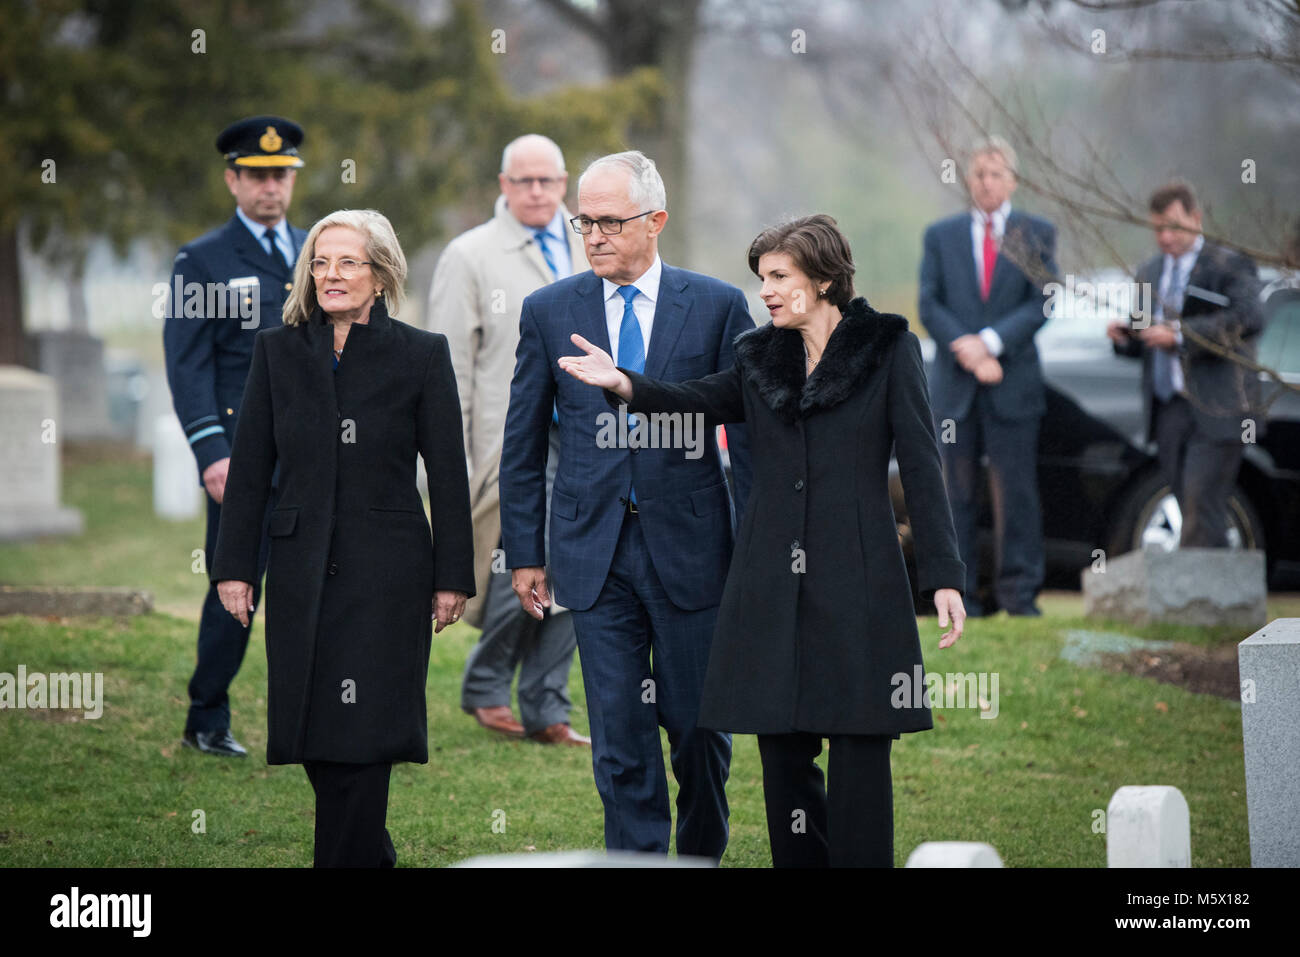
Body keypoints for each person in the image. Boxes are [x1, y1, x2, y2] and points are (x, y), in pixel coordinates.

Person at [557, 214, 966, 867]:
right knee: (782, 750)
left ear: (825, 278)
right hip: (773, 583)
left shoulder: (888, 347)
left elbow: (921, 465)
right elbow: (697, 398)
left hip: (860, 582)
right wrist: (626, 384)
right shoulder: (758, 353)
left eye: (780, 277)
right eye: (762, 279)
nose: (767, 291)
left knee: (861, 746)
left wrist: (944, 574)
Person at [499, 150, 754, 859]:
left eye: (611, 220)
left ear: (656, 221)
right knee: (618, 732)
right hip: (593, 553)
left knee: (700, 728)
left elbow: (751, 429)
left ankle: (700, 854)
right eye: (585, 221)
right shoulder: (550, 311)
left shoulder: (716, 305)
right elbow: (521, 442)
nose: (595, 234)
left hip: (694, 548)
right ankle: (636, 863)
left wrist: (762, 542)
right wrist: (525, 551)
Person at [210, 209, 474, 867]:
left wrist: (453, 574)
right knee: (315, 729)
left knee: (365, 729)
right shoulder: (277, 350)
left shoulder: (421, 353)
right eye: (321, 262)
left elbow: (447, 470)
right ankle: (369, 855)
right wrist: (234, 567)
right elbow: (249, 469)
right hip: (299, 568)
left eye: (348, 261)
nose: (331, 274)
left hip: (388, 574)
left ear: (380, 275)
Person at [427, 134, 588, 746]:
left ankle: (546, 705)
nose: (538, 192)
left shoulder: (588, 241)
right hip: (506, 443)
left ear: (564, 182)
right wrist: (456, 461)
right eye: (524, 181)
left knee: (578, 564)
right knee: (515, 565)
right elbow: (449, 371)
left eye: (548, 180)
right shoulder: (470, 256)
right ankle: (489, 684)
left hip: (585, 436)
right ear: (503, 185)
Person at [163, 115, 308, 757]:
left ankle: (315, 715)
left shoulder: (314, 252)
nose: (270, 187)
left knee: (314, 586)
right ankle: (207, 716)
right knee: (234, 586)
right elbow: (187, 363)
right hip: (238, 454)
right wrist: (209, 452)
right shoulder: (203, 260)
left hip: (309, 453)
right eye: (257, 175)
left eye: (280, 175)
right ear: (232, 180)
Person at [918, 136, 1058, 617]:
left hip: (1012, 385)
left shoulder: (1035, 234)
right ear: (968, 180)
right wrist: (970, 350)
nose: (986, 182)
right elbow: (929, 303)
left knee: (1015, 495)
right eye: (978, 173)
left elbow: (1044, 299)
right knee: (954, 496)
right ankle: (963, 600)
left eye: (996, 173)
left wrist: (993, 343)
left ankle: (1019, 597)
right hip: (954, 388)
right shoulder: (941, 236)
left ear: (1013, 180)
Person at [1106, 181, 1264, 547]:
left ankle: (1200, 600)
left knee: (1201, 500)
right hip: (1169, 409)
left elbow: (1248, 319)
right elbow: (1146, 333)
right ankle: (1218, 593)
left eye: (1173, 226)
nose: (1165, 237)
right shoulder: (1149, 270)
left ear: (1196, 218)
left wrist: (1180, 334)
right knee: (1187, 503)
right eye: (1158, 228)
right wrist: (1126, 336)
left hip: (1219, 405)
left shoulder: (1229, 263)